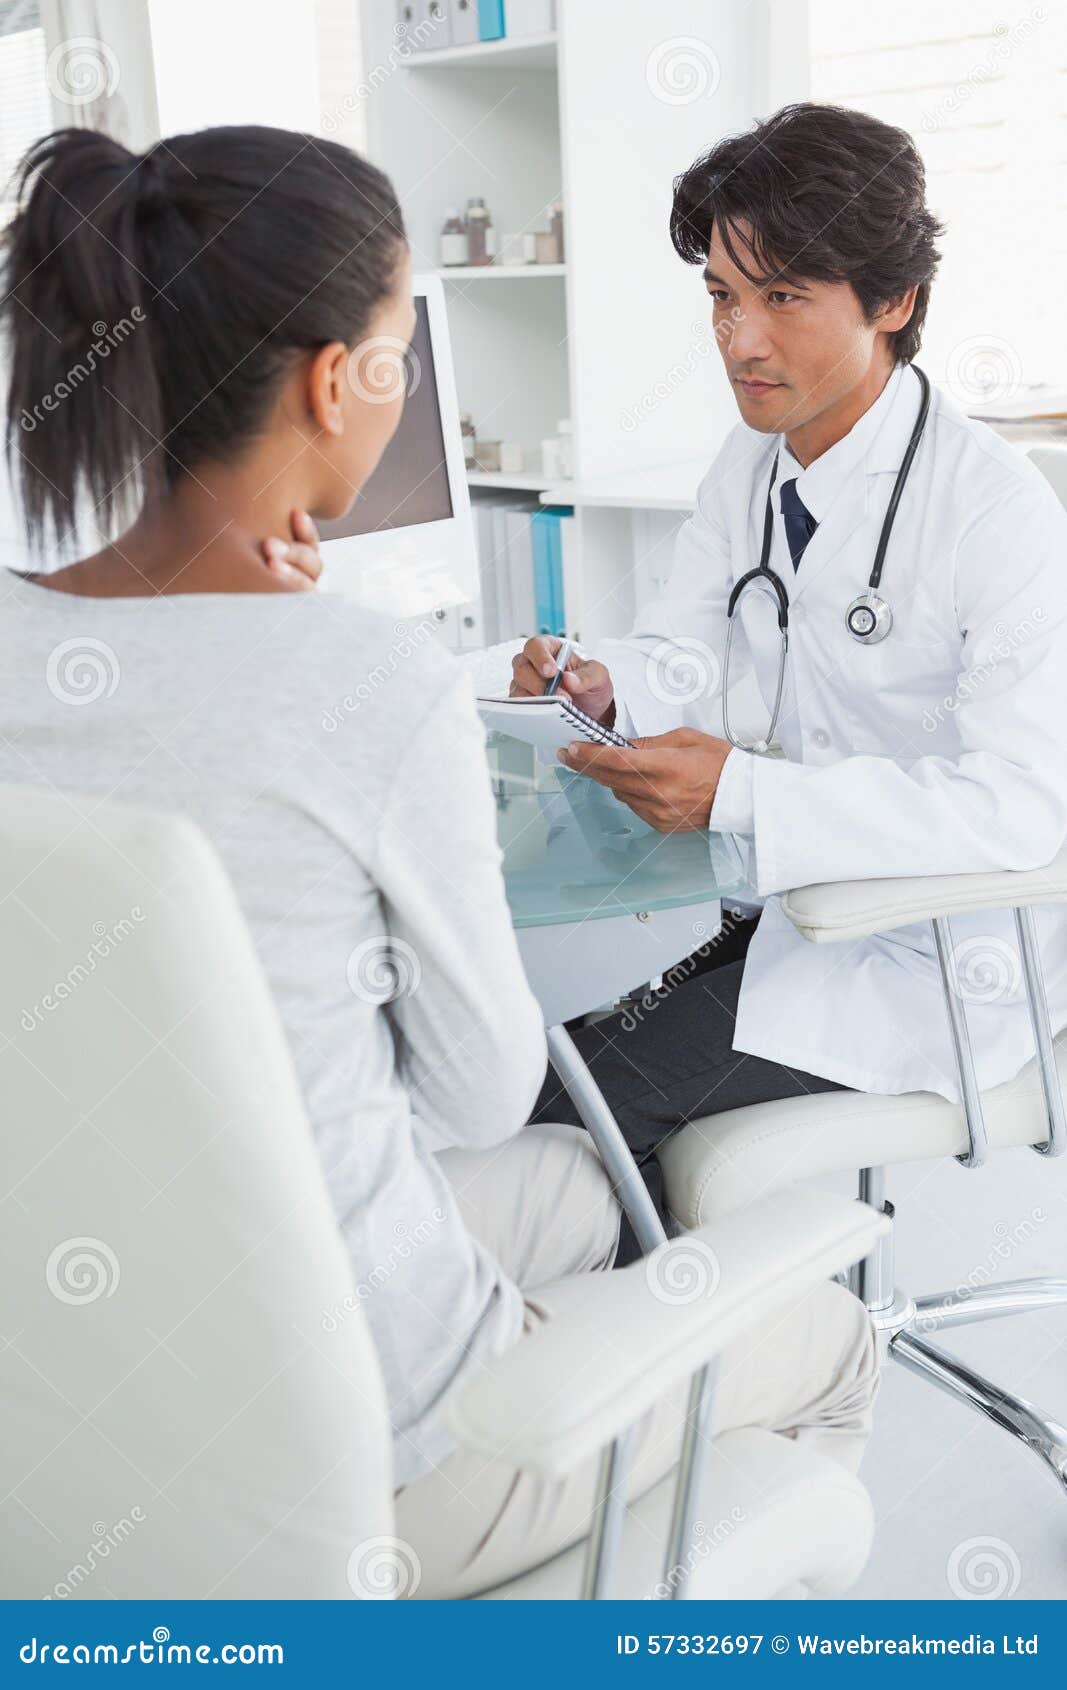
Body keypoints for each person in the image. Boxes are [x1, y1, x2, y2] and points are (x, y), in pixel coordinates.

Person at [0, 122, 876, 1597]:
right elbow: (468, 1085)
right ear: (333, 383)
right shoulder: (360, 685)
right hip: (355, 1459)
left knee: (585, 1186)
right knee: (830, 1345)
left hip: (68, 1394)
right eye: (398, 350)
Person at [513, 103, 1067, 1207]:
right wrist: (605, 682)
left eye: (781, 298)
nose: (738, 339)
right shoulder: (750, 462)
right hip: (790, 906)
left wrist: (744, 793)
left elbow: (1023, 809)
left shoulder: (994, 513)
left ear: (892, 303)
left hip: (936, 960)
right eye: (720, 295)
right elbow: (688, 646)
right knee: (541, 1066)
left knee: (585, 1118)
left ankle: (699, 1368)